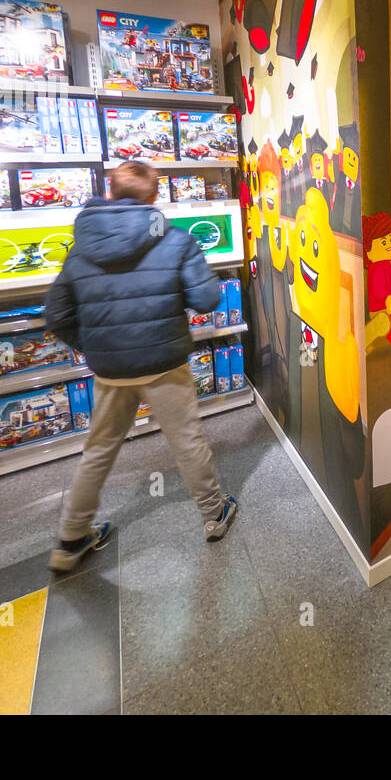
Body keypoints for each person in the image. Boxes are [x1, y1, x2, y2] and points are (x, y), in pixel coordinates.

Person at [44, 161, 238, 571]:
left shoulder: (79, 248)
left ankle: (70, 539)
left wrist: (96, 347)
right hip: (164, 362)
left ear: (110, 194)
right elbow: (206, 301)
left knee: (98, 450)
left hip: (110, 370)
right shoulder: (175, 240)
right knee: (187, 441)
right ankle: (213, 516)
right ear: (154, 199)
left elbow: (56, 315)